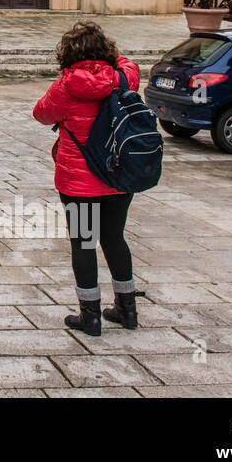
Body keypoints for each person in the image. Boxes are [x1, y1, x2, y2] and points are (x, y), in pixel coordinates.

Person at [31, 21, 141, 337]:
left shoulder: (65, 87)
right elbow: (129, 64)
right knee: (115, 238)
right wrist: (108, 60)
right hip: (118, 178)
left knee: (84, 243)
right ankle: (127, 309)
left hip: (78, 184)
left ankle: (90, 317)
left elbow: (41, 114)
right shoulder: (123, 77)